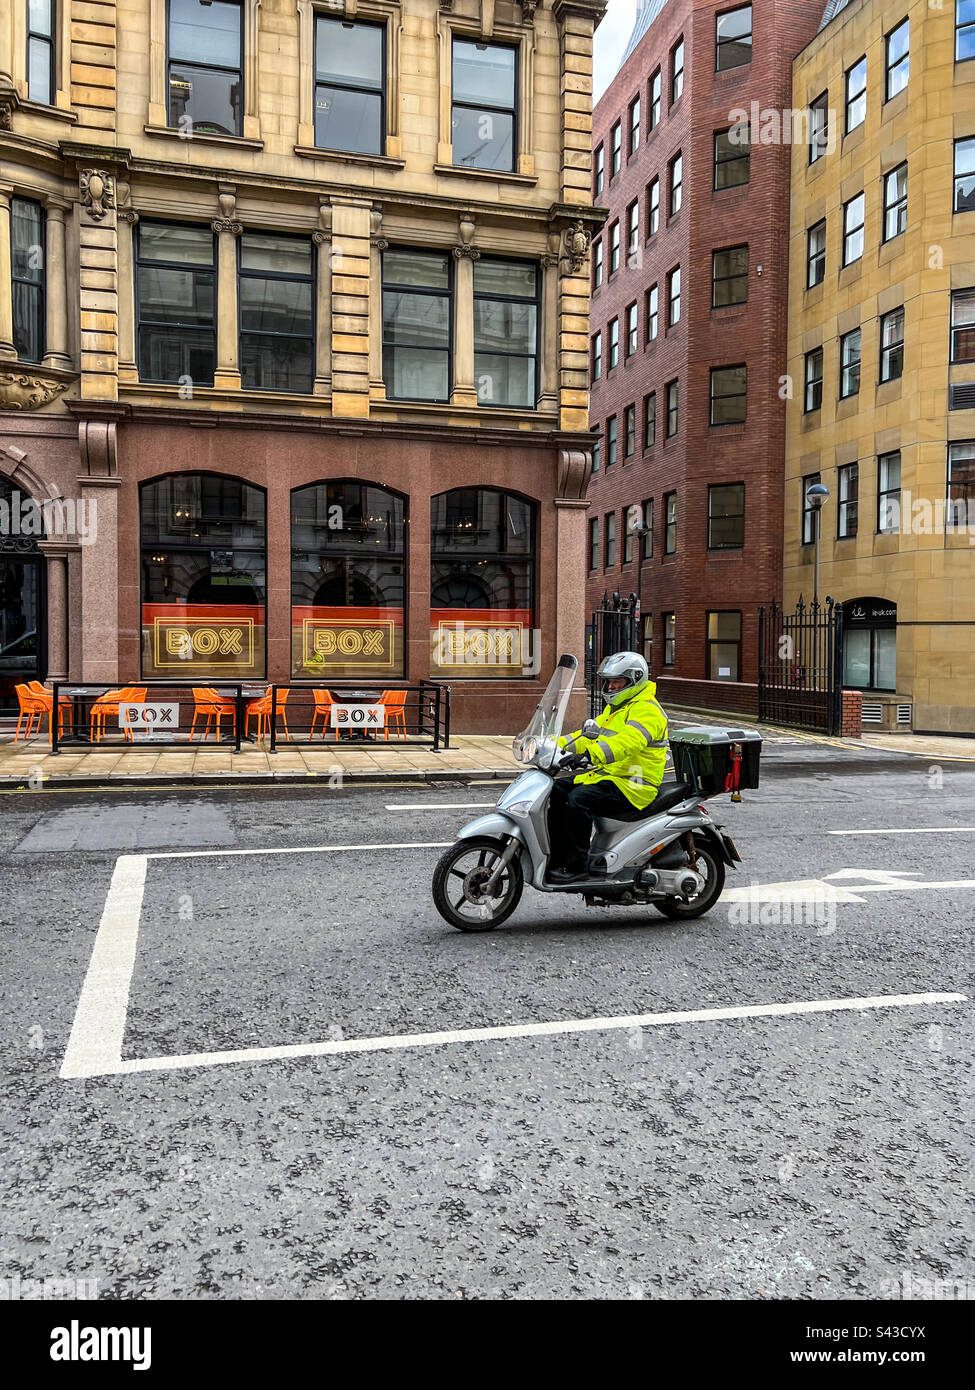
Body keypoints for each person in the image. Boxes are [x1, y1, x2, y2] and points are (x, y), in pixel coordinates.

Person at [548, 651, 669, 883]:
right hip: (610, 778)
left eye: (617, 682)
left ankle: (576, 866)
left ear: (635, 680)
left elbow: (626, 743)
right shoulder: (617, 708)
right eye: (609, 682)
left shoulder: (647, 710)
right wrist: (554, 745)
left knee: (578, 800)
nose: (611, 687)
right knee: (557, 789)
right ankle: (559, 857)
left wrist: (589, 755)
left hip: (634, 784)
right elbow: (587, 736)